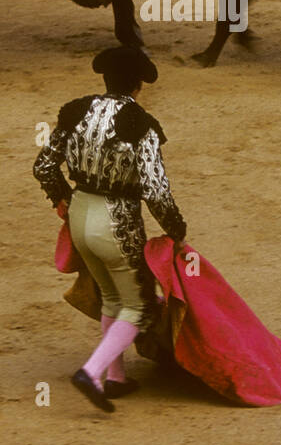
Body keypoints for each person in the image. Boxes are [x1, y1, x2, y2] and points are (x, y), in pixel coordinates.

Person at [33, 46, 187, 413]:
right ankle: (93, 371)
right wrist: (176, 228)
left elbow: (43, 166)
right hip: (115, 221)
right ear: (138, 85)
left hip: (81, 213)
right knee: (140, 304)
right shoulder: (139, 123)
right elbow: (154, 189)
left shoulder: (74, 112)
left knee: (111, 297)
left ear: (105, 80)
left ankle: (116, 378)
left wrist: (61, 197)